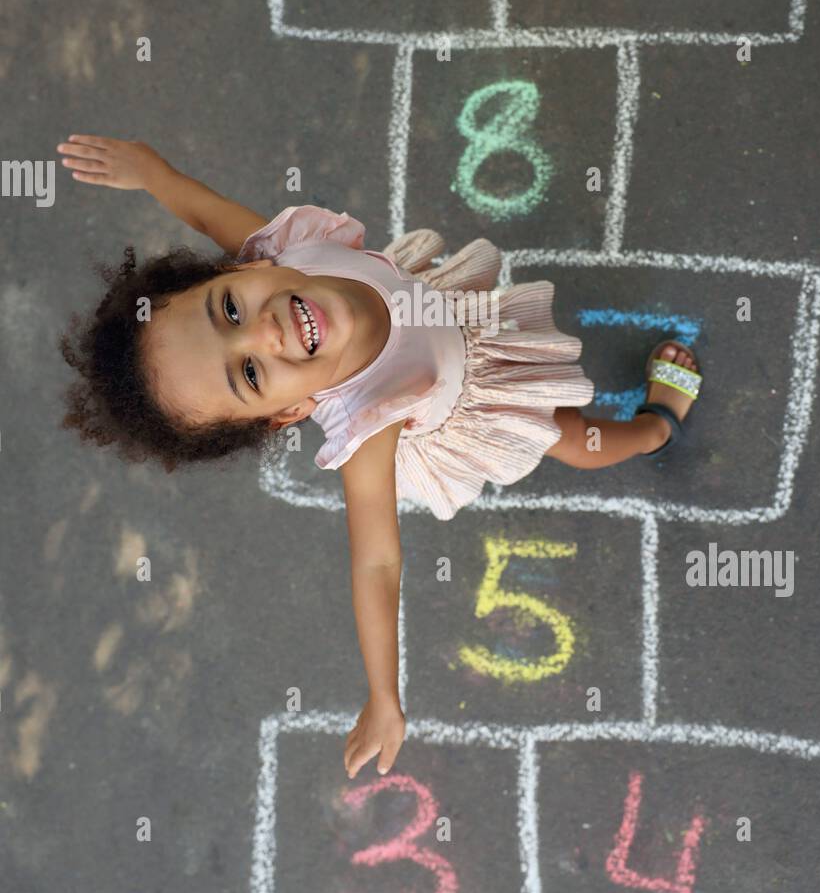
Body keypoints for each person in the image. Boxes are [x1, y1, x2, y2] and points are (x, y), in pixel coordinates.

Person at [57, 134, 703, 779]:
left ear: (239, 268)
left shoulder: (288, 252)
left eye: (228, 309)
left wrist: (153, 172)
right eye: (249, 374)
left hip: (456, 321)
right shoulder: (367, 414)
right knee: (568, 438)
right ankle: (654, 429)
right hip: (471, 397)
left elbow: (203, 211)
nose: (264, 332)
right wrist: (383, 696)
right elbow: (375, 562)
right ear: (286, 413)